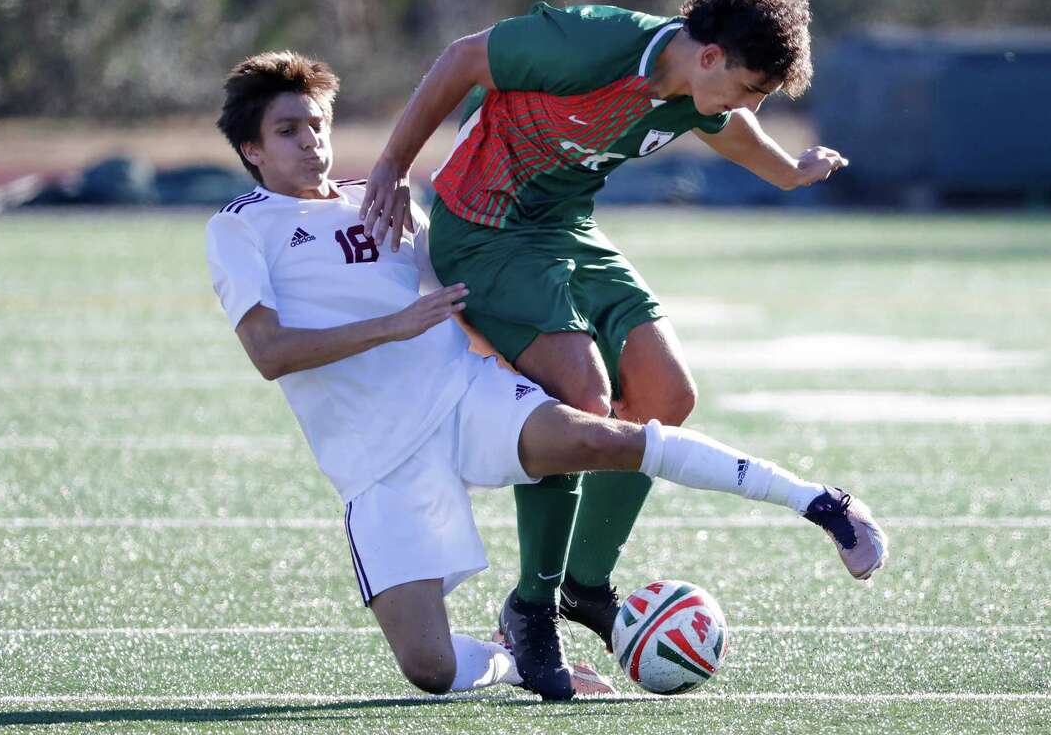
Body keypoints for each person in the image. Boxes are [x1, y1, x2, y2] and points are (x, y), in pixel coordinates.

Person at [207, 50, 886, 701]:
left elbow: (467, 292)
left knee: (604, 437)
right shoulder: (241, 228)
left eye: (317, 125)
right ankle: (512, 658)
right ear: (253, 151)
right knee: (429, 667)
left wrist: (525, 357)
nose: (310, 142)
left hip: (463, 398)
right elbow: (269, 352)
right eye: (287, 131)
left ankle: (816, 500)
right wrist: (393, 325)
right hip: (377, 461)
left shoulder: (384, 202)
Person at [359, 0, 855, 698]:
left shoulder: (700, 88)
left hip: (565, 232)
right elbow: (464, 58)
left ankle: (583, 588)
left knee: (667, 394)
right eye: (752, 88)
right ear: (710, 56)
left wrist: (789, 172)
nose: (752, 106)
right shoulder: (591, 43)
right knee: (580, 396)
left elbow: (734, 130)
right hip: (485, 228)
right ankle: (531, 606)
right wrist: (392, 166)